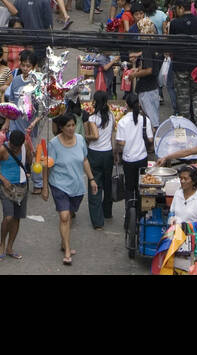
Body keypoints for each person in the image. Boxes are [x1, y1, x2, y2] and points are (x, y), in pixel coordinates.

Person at [44, 112, 97, 266]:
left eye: (73, 125)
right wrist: (45, 188)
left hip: (76, 185)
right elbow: (47, 166)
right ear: (61, 127)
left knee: (69, 215)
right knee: (65, 216)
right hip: (58, 184)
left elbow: (85, 160)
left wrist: (92, 179)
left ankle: (63, 241)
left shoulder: (80, 140)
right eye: (68, 126)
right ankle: (67, 250)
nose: (72, 128)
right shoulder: (53, 144)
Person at [0, 129, 32, 262]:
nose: (15, 149)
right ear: (9, 142)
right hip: (6, 188)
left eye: (17, 147)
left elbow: (29, 162)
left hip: (22, 187)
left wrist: (30, 152)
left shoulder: (25, 147)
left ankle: (10, 247)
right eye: (13, 147)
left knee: (17, 218)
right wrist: (3, 179)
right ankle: (2, 244)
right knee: (8, 217)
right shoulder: (1, 149)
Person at [116, 90, 155, 212]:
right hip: (142, 159)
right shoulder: (145, 120)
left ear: (126, 105)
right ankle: (140, 213)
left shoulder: (122, 121)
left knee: (129, 188)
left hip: (128, 160)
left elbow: (121, 142)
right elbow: (150, 138)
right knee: (141, 187)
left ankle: (129, 213)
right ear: (138, 105)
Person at [83, 91, 115, 230]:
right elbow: (112, 134)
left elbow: (94, 136)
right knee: (107, 184)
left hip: (95, 154)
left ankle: (98, 221)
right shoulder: (111, 116)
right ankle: (107, 212)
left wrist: (87, 136)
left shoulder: (93, 118)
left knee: (94, 185)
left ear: (95, 102)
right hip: (108, 153)